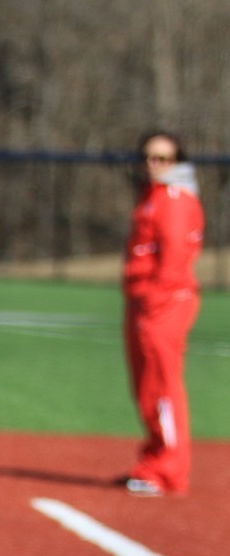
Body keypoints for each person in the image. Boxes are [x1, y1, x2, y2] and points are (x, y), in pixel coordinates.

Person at [120, 130, 203, 497]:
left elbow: (172, 259)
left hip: (164, 304)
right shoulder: (150, 197)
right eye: (150, 157)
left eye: (164, 159)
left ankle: (169, 469)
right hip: (144, 300)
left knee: (162, 389)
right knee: (145, 388)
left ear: (177, 162)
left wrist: (154, 302)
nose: (155, 165)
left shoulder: (175, 199)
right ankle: (152, 461)